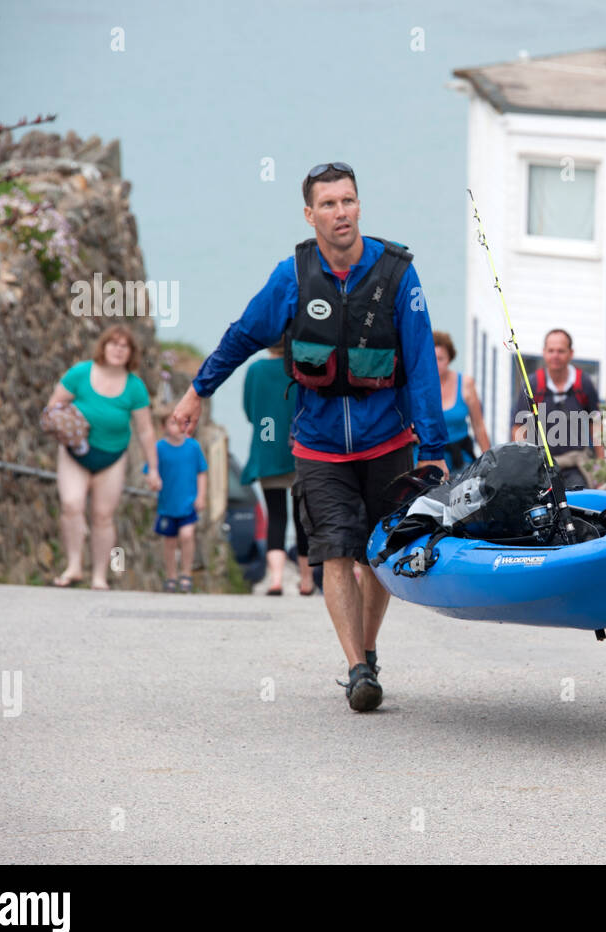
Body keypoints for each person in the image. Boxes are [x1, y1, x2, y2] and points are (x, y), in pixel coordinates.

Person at [172, 161, 448, 713]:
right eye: (328, 204)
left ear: (359, 206)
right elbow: (243, 335)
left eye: (347, 201)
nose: (340, 213)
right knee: (334, 553)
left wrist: (435, 449)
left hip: (387, 440)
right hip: (318, 444)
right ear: (309, 214)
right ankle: (356, 669)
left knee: (376, 555)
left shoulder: (397, 274)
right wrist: (197, 390)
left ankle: (368, 651)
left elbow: (420, 363)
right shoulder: (292, 277)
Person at [47, 325, 160, 590]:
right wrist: (66, 423)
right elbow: (53, 406)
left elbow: (145, 430)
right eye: (113, 344)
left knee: (102, 515)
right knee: (71, 504)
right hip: (75, 451)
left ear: (131, 353)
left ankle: (99, 575)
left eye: (124, 346)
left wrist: (153, 469)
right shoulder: (80, 373)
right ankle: (73, 566)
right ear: (103, 346)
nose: (118, 350)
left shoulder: (135, 387)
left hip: (112, 457)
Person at [242, 343, 315, 596]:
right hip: (299, 449)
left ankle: (275, 580)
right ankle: (306, 581)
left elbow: (250, 412)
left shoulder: (256, 370)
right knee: (302, 516)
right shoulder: (299, 369)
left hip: (267, 449)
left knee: (276, 515)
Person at [509, 329, 604, 488]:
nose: (555, 356)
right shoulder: (532, 384)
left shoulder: (584, 384)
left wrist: (602, 464)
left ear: (570, 353)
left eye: (561, 351)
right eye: (551, 350)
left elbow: (595, 425)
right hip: (541, 467)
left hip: (577, 465)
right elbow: (519, 429)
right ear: (544, 352)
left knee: (579, 504)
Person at [148, 410, 207, 593]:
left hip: (188, 503)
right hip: (167, 505)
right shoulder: (158, 448)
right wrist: (153, 479)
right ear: (163, 427)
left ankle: (186, 574)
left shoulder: (193, 447)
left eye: (184, 423)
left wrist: (201, 496)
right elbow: (150, 471)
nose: (180, 428)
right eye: (174, 423)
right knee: (170, 542)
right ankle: (171, 576)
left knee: (187, 535)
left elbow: (202, 472)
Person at [434, 330, 491, 472]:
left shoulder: (465, 383)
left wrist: (490, 462)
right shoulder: (418, 385)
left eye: (441, 359)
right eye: (432, 358)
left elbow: (478, 426)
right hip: (428, 457)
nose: (436, 364)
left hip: (460, 458)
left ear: (449, 359)